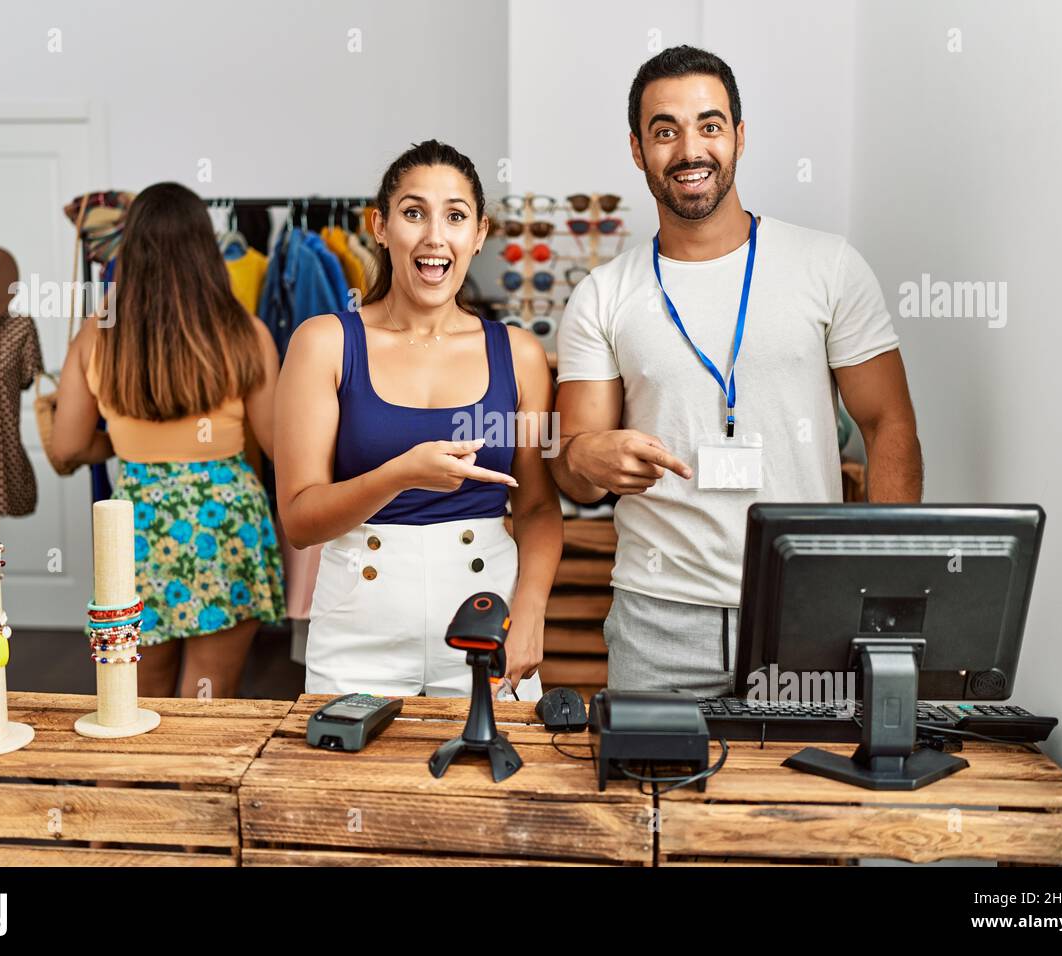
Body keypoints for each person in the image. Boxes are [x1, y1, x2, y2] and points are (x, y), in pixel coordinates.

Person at [549, 46, 921, 696]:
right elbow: (572, 468)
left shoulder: (826, 265)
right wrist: (589, 456)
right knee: (651, 797)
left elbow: (889, 423)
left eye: (710, 125)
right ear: (638, 149)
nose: (690, 149)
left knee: (806, 796)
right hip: (657, 617)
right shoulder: (603, 295)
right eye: (665, 130)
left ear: (739, 137)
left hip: (808, 610)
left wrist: (877, 582)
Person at [275, 139, 562, 699]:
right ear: (379, 226)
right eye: (414, 213)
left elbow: (536, 507)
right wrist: (402, 473)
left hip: (489, 618)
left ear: (478, 234)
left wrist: (530, 614)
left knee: (490, 783)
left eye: (455, 216)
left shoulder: (520, 354)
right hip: (359, 626)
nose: (435, 237)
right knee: (350, 785)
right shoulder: (325, 343)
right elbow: (301, 520)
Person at [52, 181, 286, 699]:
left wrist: (123, 443)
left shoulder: (97, 333)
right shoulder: (246, 332)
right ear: (206, 249)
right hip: (225, 524)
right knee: (210, 693)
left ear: (130, 249)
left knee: (137, 698)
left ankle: (139, 782)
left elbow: (67, 448)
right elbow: (277, 446)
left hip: (137, 527)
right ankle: (198, 783)